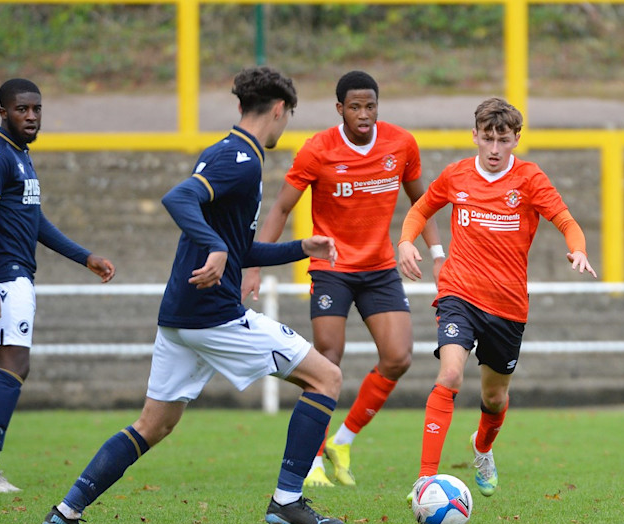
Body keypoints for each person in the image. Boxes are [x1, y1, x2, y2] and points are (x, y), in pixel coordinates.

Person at [41, 67, 345, 524]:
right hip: (214, 316)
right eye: (288, 116)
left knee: (154, 424)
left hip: (182, 315)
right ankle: (287, 501)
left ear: (241, 105)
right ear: (280, 109)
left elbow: (236, 248)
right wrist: (216, 247)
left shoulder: (225, 151)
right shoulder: (242, 160)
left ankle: (66, 512)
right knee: (326, 378)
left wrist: (299, 248)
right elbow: (178, 198)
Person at [242, 70, 443, 488]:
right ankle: (312, 460)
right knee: (327, 359)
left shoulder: (401, 144)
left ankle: (343, 441)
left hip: (379, 269)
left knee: (399, 357)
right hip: (332, 268)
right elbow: (281, 208)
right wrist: (254, 264)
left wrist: (437, 254)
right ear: (340, 109)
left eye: (370, 106)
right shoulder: (318, 150)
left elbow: (422, 203)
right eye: (355, 107)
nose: (364, 114)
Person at [398, 97, 596, 501]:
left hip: (507, 306)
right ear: (474, 135)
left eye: (502, 140)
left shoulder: (529, 179)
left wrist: (578, 249)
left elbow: (566, 221)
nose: (493, 149)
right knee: (450, 375)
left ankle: (483, 447)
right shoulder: (456, 175)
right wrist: (405, 241)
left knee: (494, 397)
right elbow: (420, 210)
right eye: (487, 138)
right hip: (459, 293)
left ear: (515, 139)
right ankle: (425, 480)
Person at [0, 78, 116, 494]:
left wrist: (84, 256)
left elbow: (35, 222)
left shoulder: (20, 156)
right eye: (22, 109)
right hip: (4, 274)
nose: (31, 116)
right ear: (3, 113)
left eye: (36, 109)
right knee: (16, 365)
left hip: (4, 275)